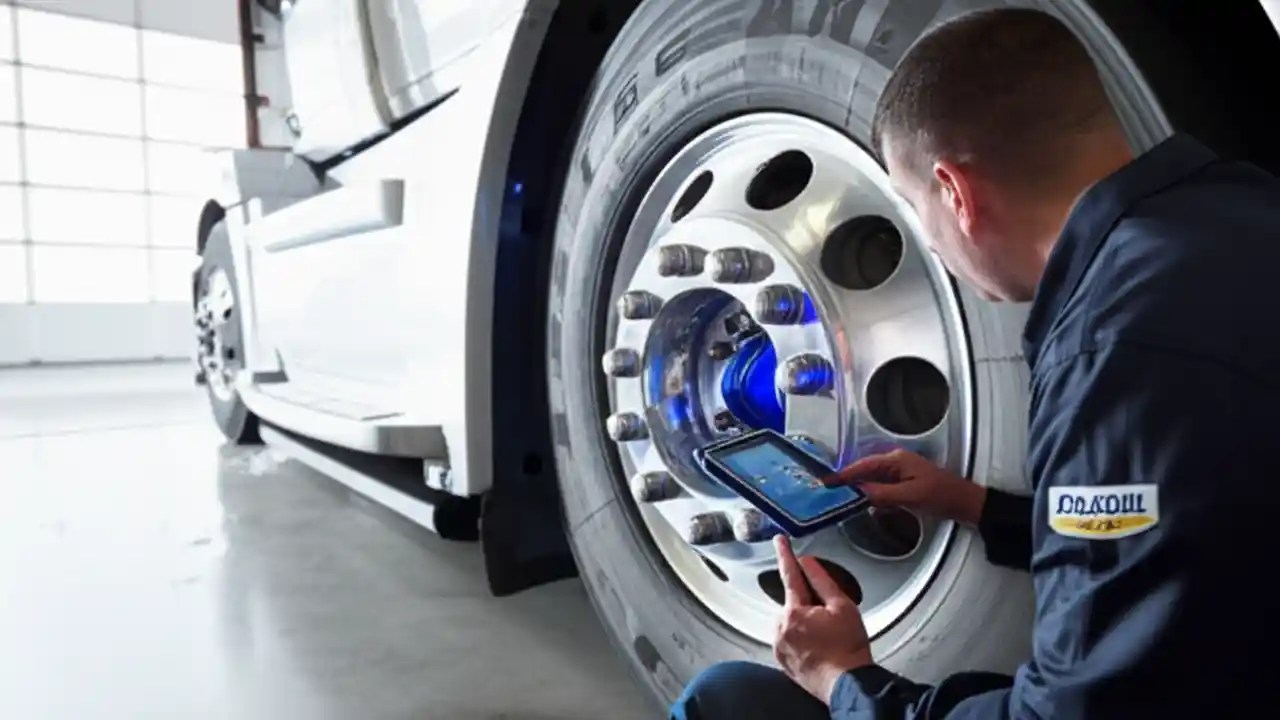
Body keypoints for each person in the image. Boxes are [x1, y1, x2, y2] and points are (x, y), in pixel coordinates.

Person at [671, 7, 1280, 720]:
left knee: (725, 700)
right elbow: (1196, 524)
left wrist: (846, 681)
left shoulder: (1115, 350)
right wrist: (974, 505)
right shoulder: (1241, 211)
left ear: (955, 193)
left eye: (914, 208)